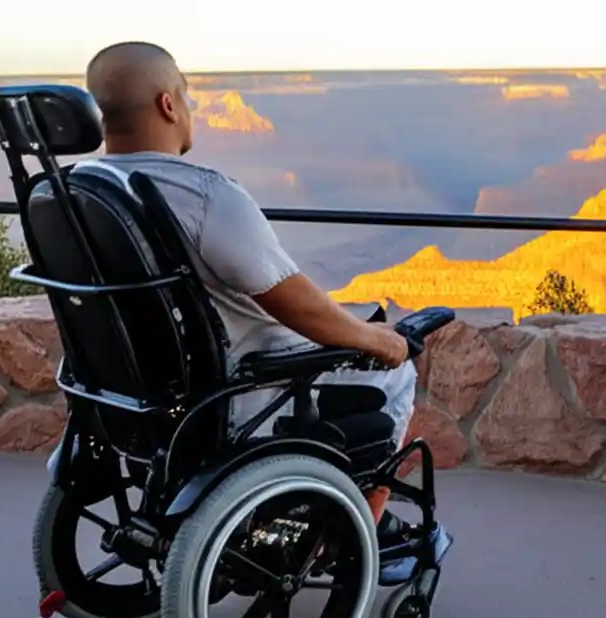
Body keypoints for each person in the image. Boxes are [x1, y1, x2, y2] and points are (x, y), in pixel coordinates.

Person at [77, 41, 413, 541]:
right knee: (397, 369)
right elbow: (293, 302)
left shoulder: (81, 189)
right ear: (168, 105)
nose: (189, 111)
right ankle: (358, 525)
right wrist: (379, 341)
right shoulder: (205, 195)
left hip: (132, 392)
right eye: (186, 98)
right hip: (235, 393)